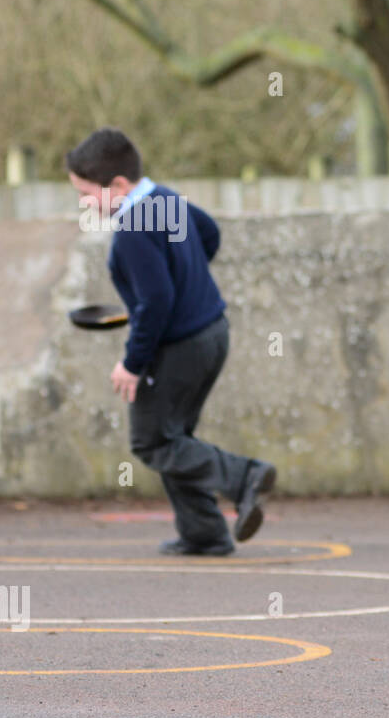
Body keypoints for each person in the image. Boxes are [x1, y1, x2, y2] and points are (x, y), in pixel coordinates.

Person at [66, 128, 275, 556]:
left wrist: (132, 363)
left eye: (87, 194)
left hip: (179, 345)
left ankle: (244, 478)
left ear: (118, 185)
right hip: (212, 333)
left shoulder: (132, 230)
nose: (85, 204)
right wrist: (189, 279)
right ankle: (203, 532)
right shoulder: (165, 200)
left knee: (152, 441)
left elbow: (156, 300)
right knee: (174, 435)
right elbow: (209, 233)